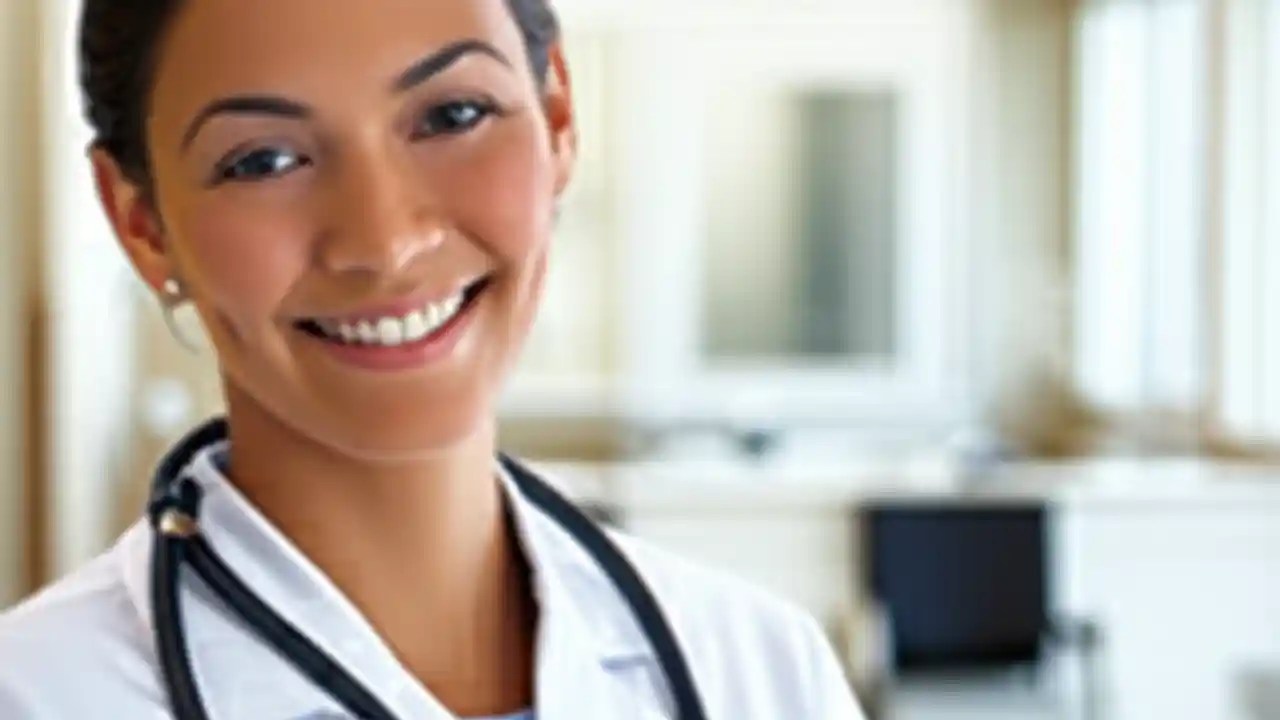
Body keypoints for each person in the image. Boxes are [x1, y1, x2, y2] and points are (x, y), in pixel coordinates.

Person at [0, 1, 866, 718]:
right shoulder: (40, 694)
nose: (385, 242)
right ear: (141, 223)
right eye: (264, 160)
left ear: (557, 117)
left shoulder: (762, 673)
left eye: (453, 116)